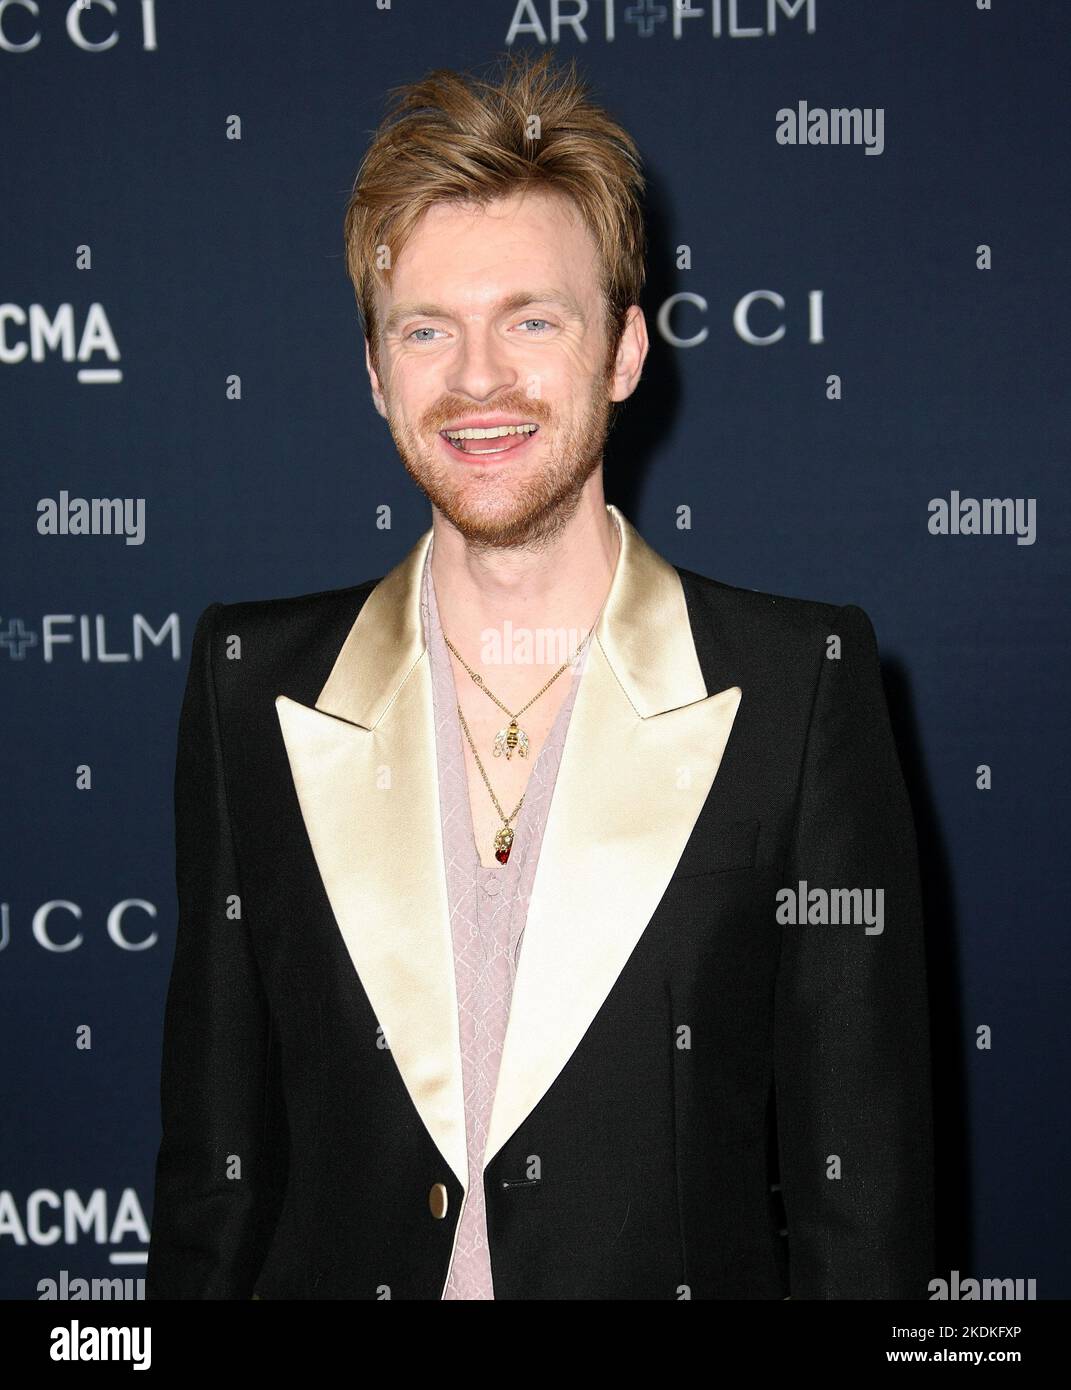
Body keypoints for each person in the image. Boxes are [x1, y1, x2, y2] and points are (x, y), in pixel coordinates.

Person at [146, 50, 934, 1300]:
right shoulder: (253, 688)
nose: (477, 382)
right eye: (426, 330)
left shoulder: (798, 690)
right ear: (372, 371)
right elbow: (213, 1183)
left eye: (532, 319)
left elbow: (865, 1205)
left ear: (624, 350)